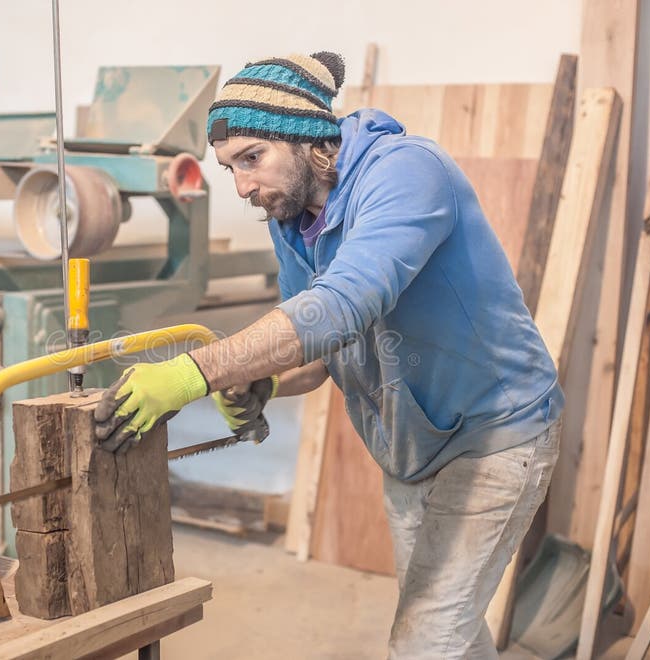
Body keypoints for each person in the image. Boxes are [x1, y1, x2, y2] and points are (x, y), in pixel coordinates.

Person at [94, 51, 563, 659]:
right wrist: (266, 384)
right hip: (411, 445)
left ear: (306, 137)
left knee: (425, 640)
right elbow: (320, 343)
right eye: (229, 168)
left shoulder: (406, 174)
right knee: (451, 628)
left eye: (251, 159)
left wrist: (192, 373)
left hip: (495, 435)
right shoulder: (290, 216)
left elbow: (341, 306)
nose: (242, 186)